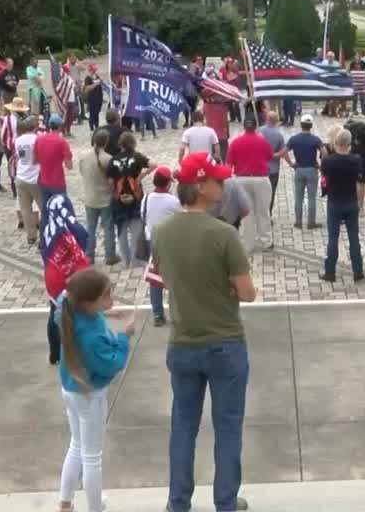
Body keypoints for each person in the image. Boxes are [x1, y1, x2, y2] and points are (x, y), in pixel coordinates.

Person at [154, 152, 256, 512]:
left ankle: (178, 501)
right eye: (216, 179)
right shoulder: (224, 234)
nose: (222, 183)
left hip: (182, 342)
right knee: (228, 427)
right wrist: (226, 285)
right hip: (225, 343)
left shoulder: (162, 231)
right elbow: (247, 292)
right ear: (199, 186)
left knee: (183, 425)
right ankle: (225, 501)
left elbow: (166, 280)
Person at [54, 267, 136, 512]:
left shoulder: (69, 309)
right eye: (106, 295)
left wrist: (107, 313)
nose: (111, 298)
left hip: (71, 389)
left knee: (76, 446)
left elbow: (70, 297)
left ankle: (65, 503)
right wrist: (124, 338)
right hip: (91, 395)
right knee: (92, 457)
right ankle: (95, 507)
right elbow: (112, 364)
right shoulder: (90, 335)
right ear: (89, 303)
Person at [321, 128, 365, 282]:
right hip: (351, 201)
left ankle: (330, 272)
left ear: (336, 143)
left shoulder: (327, 161)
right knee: (354, 238)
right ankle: (358, 271)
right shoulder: (356, 160)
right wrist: (360, 202)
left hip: (334, 201)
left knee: (333, 238)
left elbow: (324, 179)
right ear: (349, 144)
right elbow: (359, 184)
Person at [225, 116, 274, 254]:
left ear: (244, 126)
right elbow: (269, 157)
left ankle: (248, 245)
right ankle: (266, 242)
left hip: (241, 179)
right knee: (263, 211)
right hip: (260, 179)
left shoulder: (235, 142)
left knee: (246, 214)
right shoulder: (262, 141)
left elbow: (229, 163)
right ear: (255, 126)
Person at [140, 165, 179, 326]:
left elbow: (142, 216)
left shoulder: (146, 198)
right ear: (168, 183)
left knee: (155, 280)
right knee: (175, 278)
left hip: (151, 241)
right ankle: (177, 313)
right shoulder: (173, 201)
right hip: (169, 242)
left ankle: (157, 314)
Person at [108, 131, 150, 269]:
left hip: (119, 198)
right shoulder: (137, 157)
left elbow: (110, 181)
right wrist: (140, 177)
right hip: (135, 195)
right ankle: (135, 259)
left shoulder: (113, 160)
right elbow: (154, 164)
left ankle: (125, 260)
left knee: (121, 230)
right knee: (136, 229)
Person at [79, 129, 116, 266]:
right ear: (106, 142)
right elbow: (112, 180)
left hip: (90, 197)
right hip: (105, 198)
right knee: (108, 228)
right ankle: (110, 255)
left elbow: (82, 173)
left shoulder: (83, 157)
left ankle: (89, 255)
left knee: (91, 228)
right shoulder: (108, 159)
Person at [284, 113, 322, 229]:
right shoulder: (315, 139)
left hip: (299, 169)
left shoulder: (294, 139)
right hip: (311, 169)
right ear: (311, 126)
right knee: (311, 198)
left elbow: (284, 152)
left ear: (301, 125)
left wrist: (291, 163)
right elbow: (324, 152)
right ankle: (311, 222)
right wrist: (320, 165)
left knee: (298, 197)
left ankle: (298, 222)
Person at [14, 116, 42, 245]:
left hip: (21, 175)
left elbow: (19, 157)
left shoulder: (18, 140)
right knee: (43, 207)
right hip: (35, 177)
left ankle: (31, 235)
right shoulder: (37, 139)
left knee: (25, 209)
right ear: (35, 127)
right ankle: (44, 234)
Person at [35, 114, 73, 198]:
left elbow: (35, 160)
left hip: (42, 181)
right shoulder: (62, 142)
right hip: (57, 182)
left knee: (46, 209)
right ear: (60, 126)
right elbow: (69, 166)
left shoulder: (39, 139)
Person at [259, 111, 286, 215]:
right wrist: (291, 164)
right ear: (276, 121)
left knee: (260, 193)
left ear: (267, 119)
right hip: (273, 169)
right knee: (271, 193)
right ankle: (268, 214)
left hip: (260, 169)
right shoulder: (278, 135)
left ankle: (260, 213)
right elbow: (283, 152)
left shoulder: (259, 131)